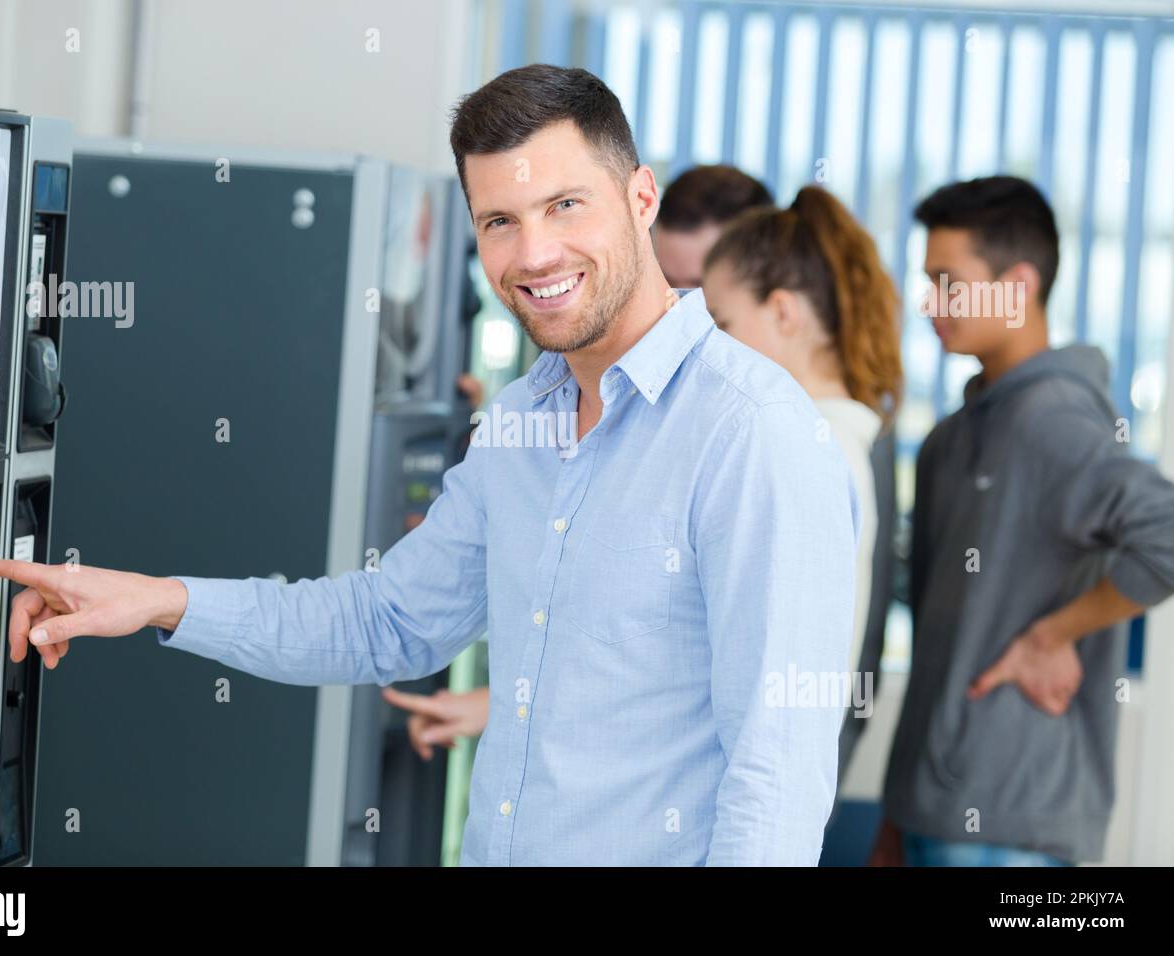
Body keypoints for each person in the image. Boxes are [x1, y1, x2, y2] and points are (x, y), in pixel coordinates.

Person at [0, 64, 858, 866]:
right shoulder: (520, 423)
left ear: (640, 197)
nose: (535, 255)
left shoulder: (754, 435)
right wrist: (160, 600)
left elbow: (774, 785)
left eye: (565, 206)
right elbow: (387, 622)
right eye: (500, 223)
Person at [386, 162, 777, 760]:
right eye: (667, 280)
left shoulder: (763, 435)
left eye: (699, 293)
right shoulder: (555, 405)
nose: (673, 310)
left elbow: (765, 727)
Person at [868, 175, 1174, 867]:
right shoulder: (954, 438)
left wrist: (1052, 636)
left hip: (1009, 830)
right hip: (933, 810)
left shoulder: (1051, 419)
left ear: (1019, 283)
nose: (929, 303)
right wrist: (896, 816)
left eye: (948, 281)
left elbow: (1167, 532)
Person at [702, 185, 902, 707]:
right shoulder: (822, 441)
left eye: (722, 323)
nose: (709, 345)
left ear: (783, 314)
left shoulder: (804, 450)